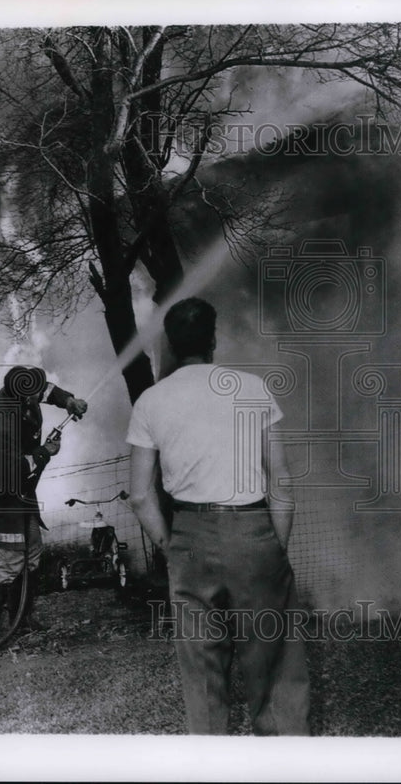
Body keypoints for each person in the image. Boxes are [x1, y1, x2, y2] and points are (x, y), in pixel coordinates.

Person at [126, 297, 311, 735]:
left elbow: (139, 496)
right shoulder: (253, 389)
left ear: (171, 344)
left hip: (190, 536)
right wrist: (273, 544)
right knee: (277, 666)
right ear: (213, 339)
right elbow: (281, 482)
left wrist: (172, 546)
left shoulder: (151, 402)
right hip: (254, 531)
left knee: (203, 679)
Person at [0, 365, 87, 647]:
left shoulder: (23, 390)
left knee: (32, 550)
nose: (41, 395)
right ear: (23, 397)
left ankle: (21, 620)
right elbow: (14, 470)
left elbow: (45, 389)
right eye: (35, 394)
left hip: (21, 492)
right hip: (1, 496)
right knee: (8, 562)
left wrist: (67, 400)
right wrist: (45, 452)